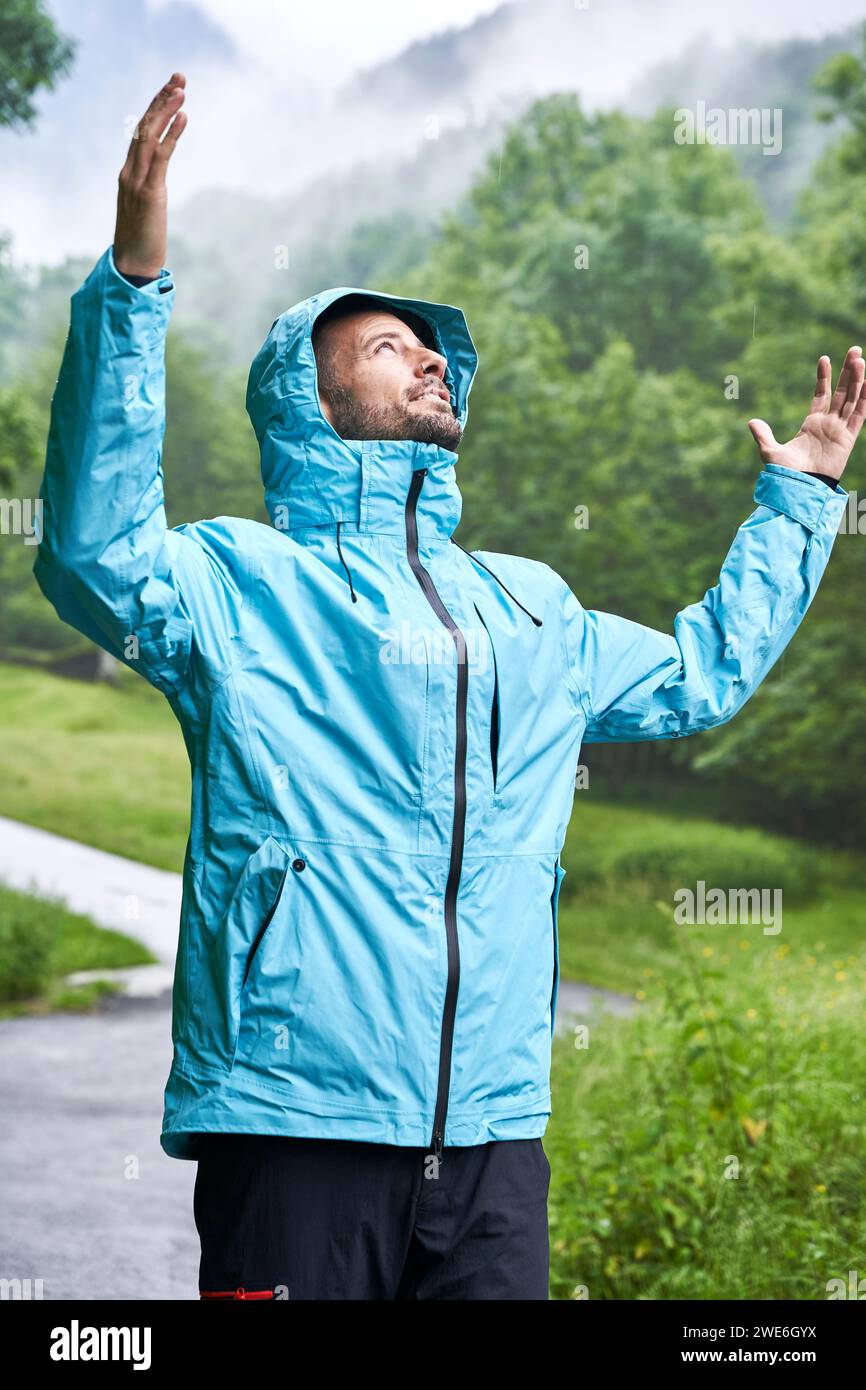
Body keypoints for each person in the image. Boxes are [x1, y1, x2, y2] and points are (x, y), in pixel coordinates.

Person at [34, 73, 859, 1301]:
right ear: (314, 408)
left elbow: (697, 676)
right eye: (384, 347)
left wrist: (800, 497)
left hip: (488, 1143)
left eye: (430, 349)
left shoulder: (528, 602)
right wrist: (134, 289)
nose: (426, 359)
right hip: (295, 1123)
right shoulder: (237, 582)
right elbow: (93, 548)